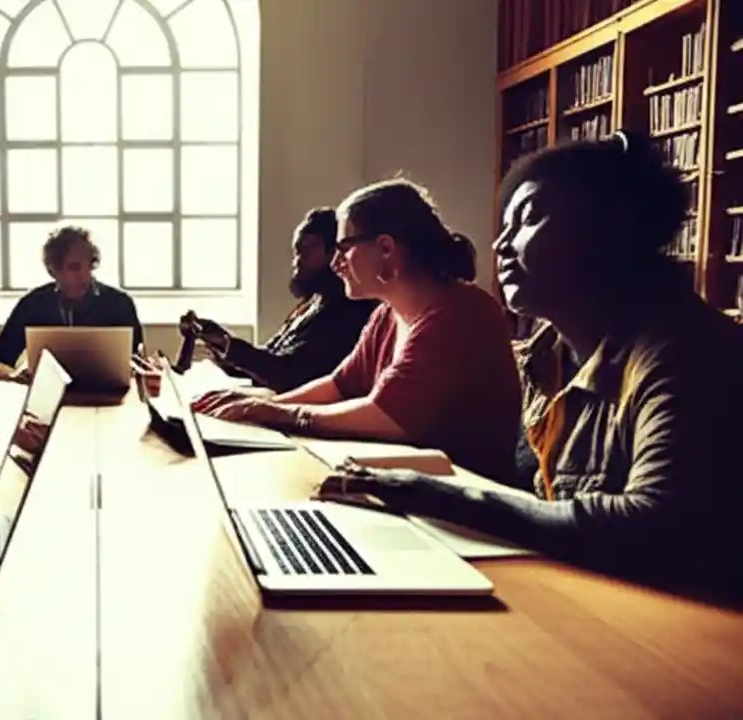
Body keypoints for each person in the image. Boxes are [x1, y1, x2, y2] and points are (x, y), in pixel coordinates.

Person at [320, 132, 743, 587]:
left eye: (529, 217)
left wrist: (430, 494)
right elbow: (535, 498)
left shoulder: (684, 353)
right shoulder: (547, 359)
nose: (500, 244)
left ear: (606, 229)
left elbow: (652, 526)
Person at [193, 178, 521, 482]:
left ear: (386, 248)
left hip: (475, 510)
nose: (336, 263)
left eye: (344, 247)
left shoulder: (458, 314)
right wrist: (264, 406)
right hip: (420, 489)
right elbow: (339, 385)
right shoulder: (385, 315)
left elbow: (384, 416)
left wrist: (276, 413)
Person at [178, 207, 376, 391]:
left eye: (305, 250)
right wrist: (218, 340)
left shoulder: (348, 310)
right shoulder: (311, 304)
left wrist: (227, 344)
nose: (297, 261)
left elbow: (289, 374)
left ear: (333, 252)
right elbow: (265, 365)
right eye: (296, 252)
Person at [0, 225, 144, 371]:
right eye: (74, 268)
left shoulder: (119, 303)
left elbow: (138, 364)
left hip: (110, 396)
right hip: (47, 395)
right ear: (53, 270)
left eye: (89, 265)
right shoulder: (33, 304)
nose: (84, 274)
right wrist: (14, 376)